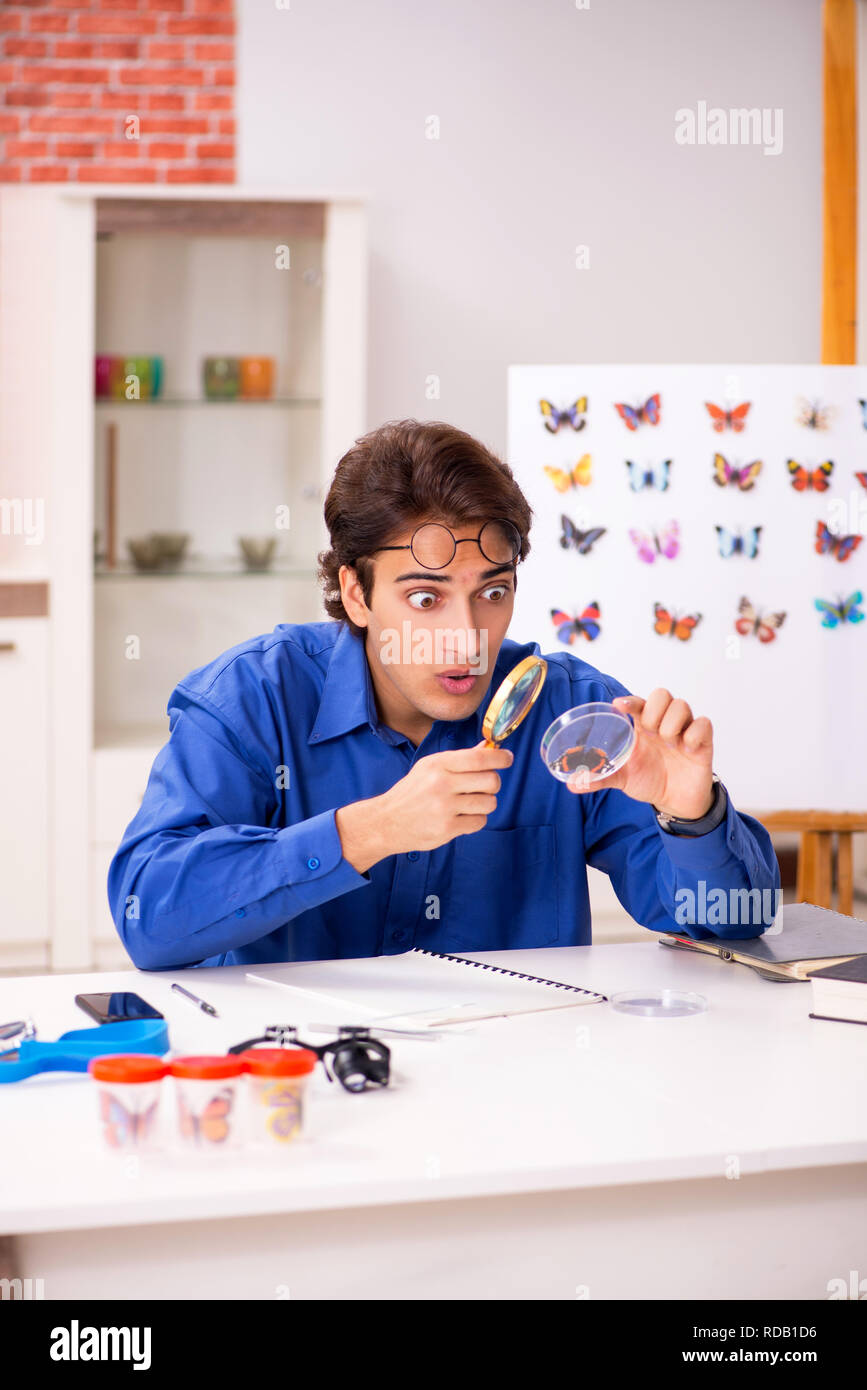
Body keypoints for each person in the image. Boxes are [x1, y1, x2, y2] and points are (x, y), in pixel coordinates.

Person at [108, 419, 780, 970]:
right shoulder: (251, 700)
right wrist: (369, 831)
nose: (465, 639)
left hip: (514, 1089)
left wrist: (691, 813)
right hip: (299, 1088)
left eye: (492, 592)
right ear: (354, 594)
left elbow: (736, 926)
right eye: (425, 597)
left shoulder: (568, 711)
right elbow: (149, 918)